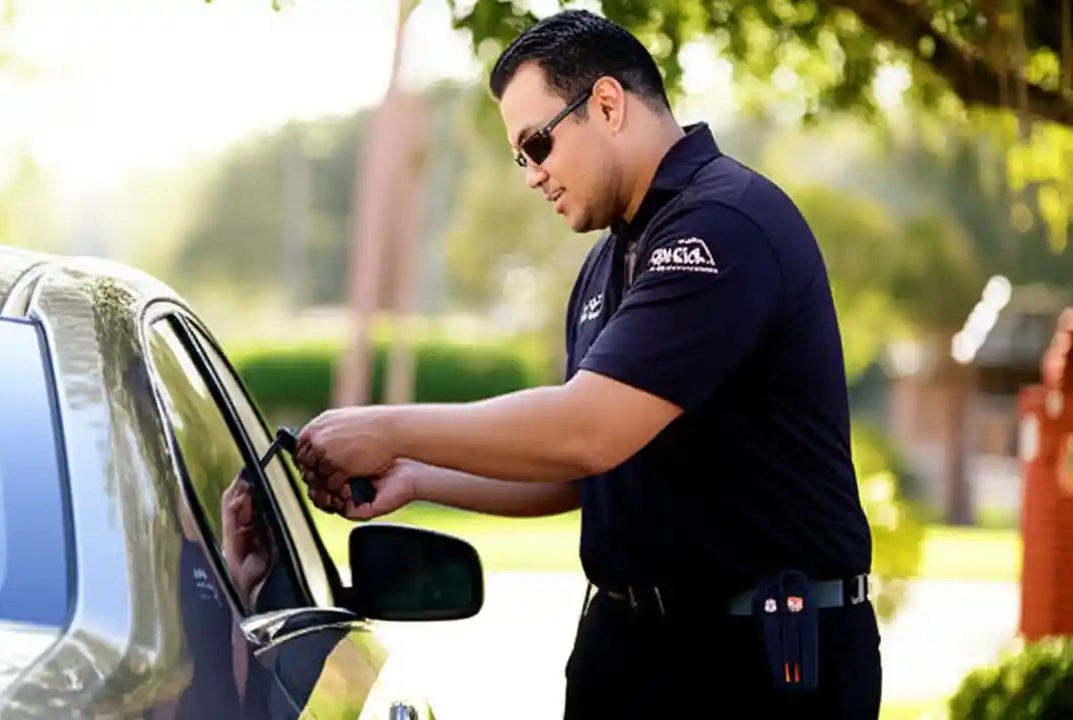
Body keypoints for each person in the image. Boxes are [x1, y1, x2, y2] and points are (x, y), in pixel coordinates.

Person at [294, 8, 881, 718]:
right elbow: (585, 468)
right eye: (520, 157)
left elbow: (586, 429)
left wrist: (389, 429)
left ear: (606, 103)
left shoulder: (723, 226)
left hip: (754, 657)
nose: (532, 175)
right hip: (632, 650)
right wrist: (418, 477)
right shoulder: (610, 259)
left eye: (537, 144)